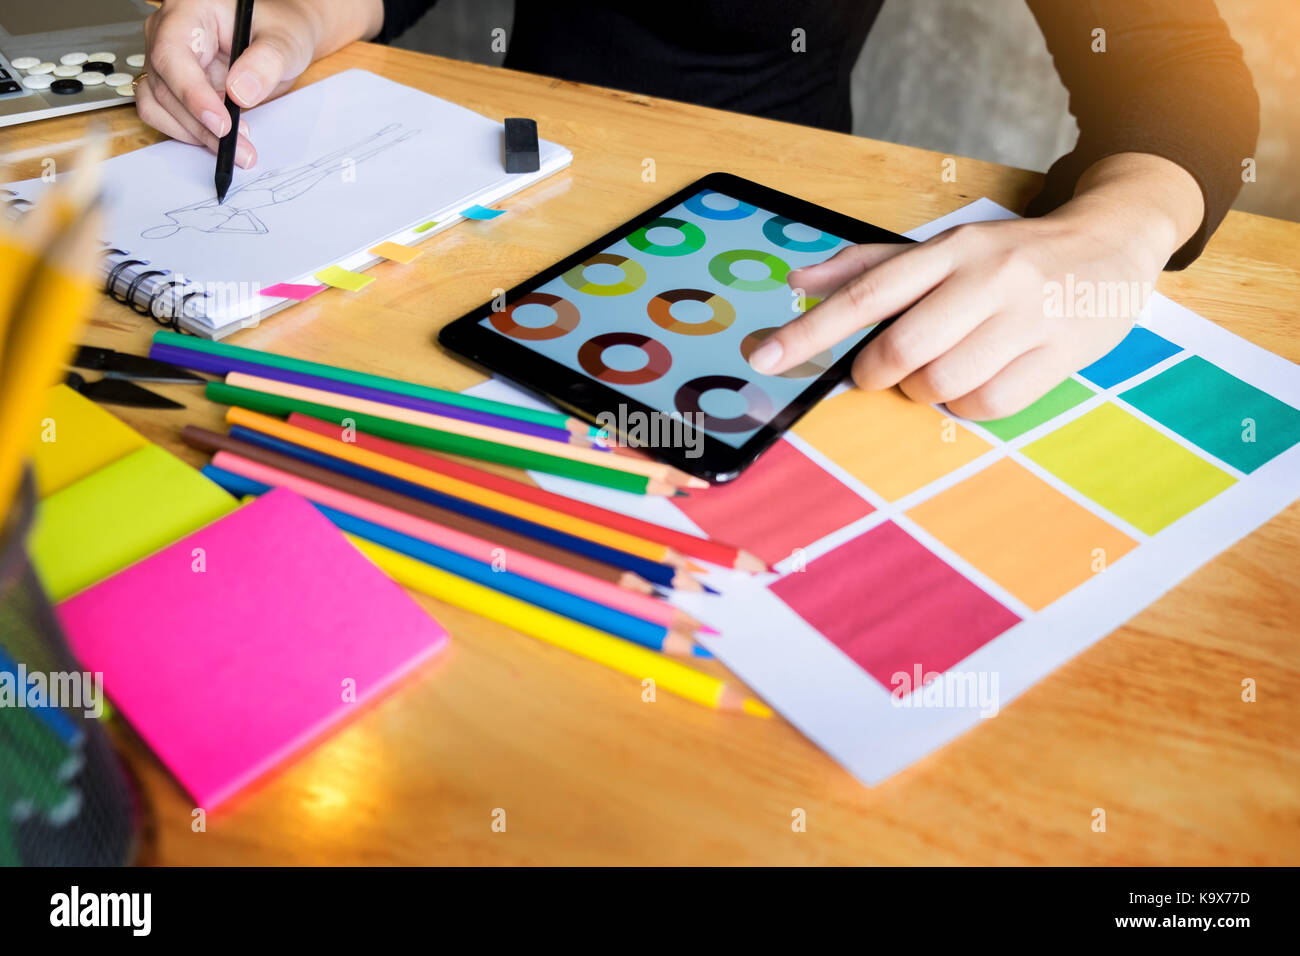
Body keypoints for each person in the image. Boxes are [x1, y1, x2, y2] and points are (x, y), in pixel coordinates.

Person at [134, 0, 1258, 420]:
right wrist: (285, 15)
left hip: (781, 240)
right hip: (523, 210)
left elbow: (1170, 58)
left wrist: (1120, 231)